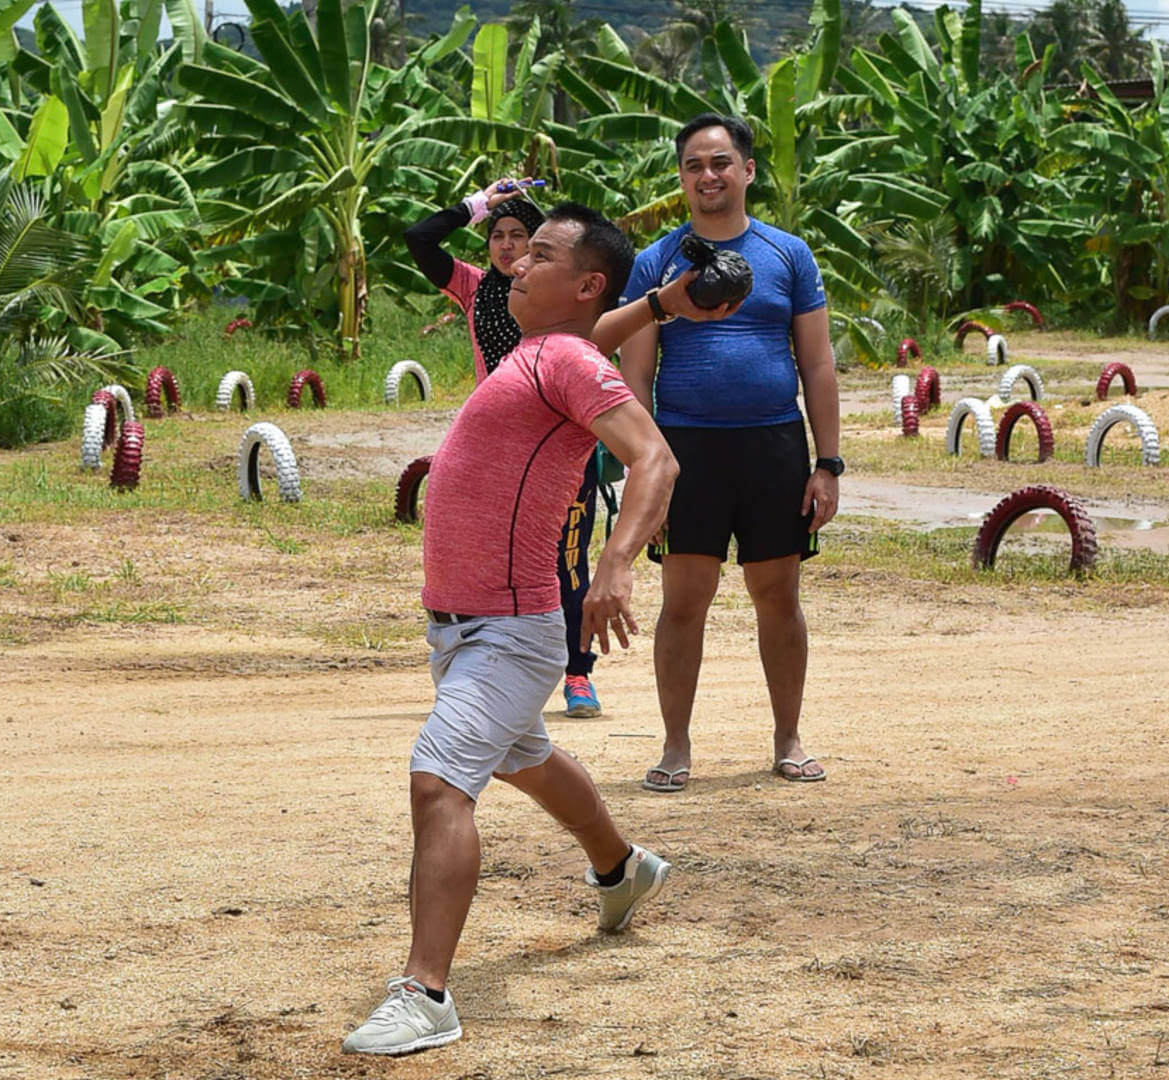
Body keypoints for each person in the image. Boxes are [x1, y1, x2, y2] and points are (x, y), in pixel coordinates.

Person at [344, 203, 735, 1056]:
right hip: (463, 627)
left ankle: (426, 994)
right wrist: (668, 302)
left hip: (508, 631)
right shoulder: (540, 348)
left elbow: (654, 456)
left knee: (439, 782)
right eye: (517, 252)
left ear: (585, 283)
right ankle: (622, 868)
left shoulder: (562, 357)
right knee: (524, 755)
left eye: (541, 254)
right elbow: (604, 324)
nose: (516, 262)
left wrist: (618, 560)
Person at [615, 113, 842, 793]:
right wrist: (643, 467)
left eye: (719, 162)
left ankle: (788, 737)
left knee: (779, 597)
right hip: (685, 450)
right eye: (693, 165)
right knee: (684, 600)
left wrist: (826, 464)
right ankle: (675, 747)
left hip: (773, 443)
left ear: (746, 170)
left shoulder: (788, 255)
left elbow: (818, 364)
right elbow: (634, 376)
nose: (707, 175)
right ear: (681, 178)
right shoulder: (656, 263)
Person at [403, 181, 607, 719]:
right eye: (499, 235)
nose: (508, 246)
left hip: (555, 448)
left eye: (523, 237)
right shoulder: (473, 288)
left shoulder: (560, 306)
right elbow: (419, 239)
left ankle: (577, 671)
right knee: (493, 568)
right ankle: (492, 670)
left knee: (566, 561)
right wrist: (475, 204)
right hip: (493, 457)